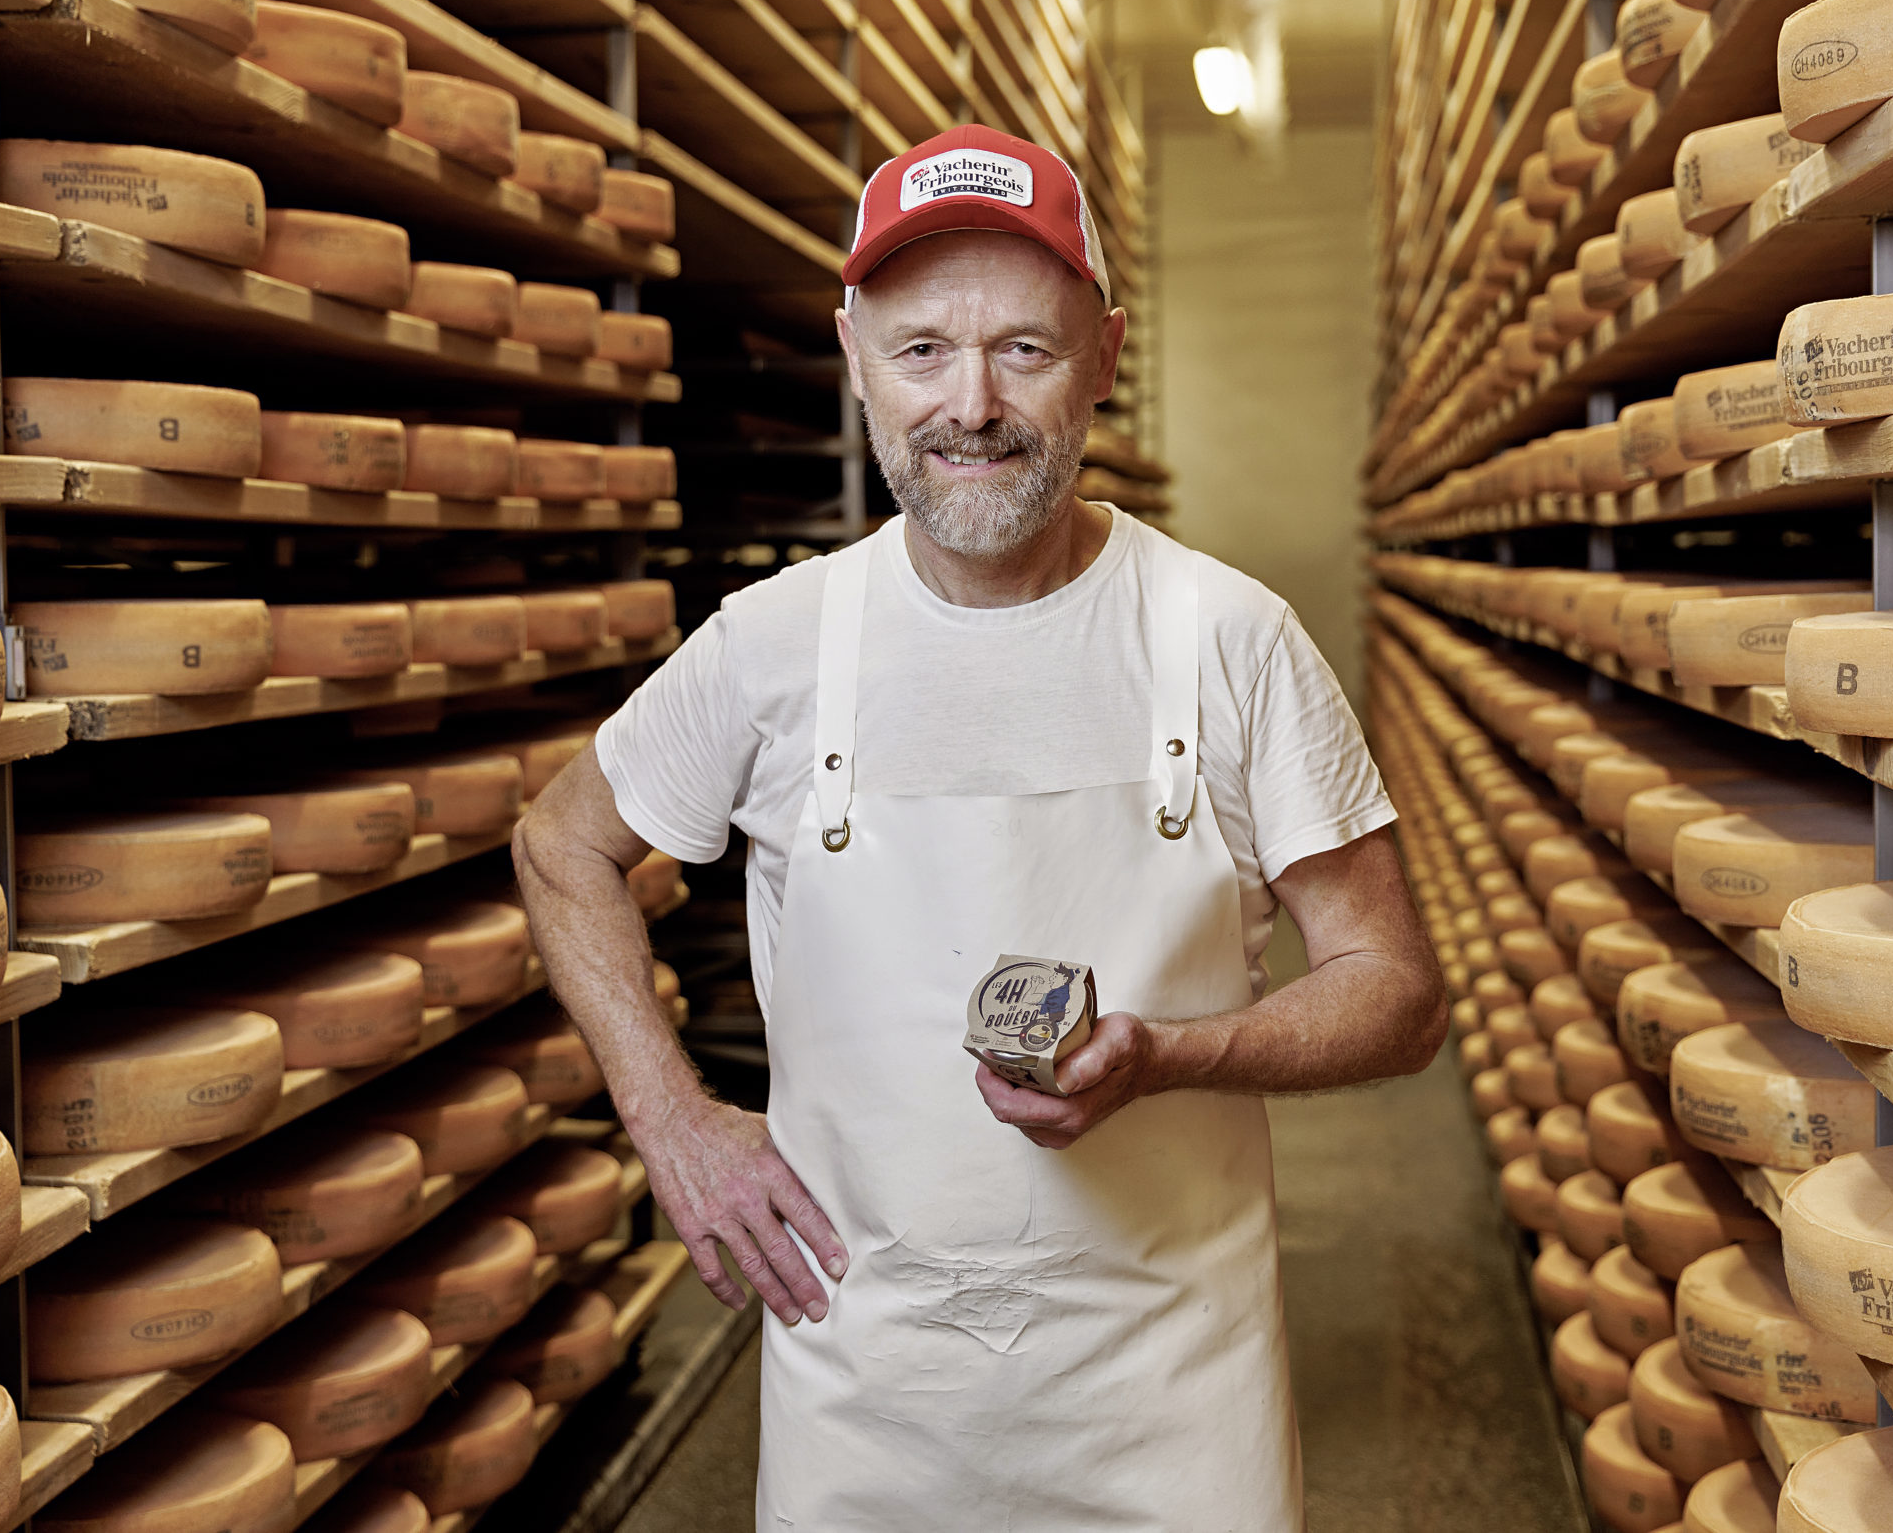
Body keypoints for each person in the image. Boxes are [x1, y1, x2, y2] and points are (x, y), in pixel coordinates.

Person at [514, 124, 1445, 1531]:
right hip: (864, 1403)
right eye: (921, 351)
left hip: (1170, 1400)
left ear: (1105, 352)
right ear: (853, 353)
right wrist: (673, 1119)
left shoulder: (1230, 639)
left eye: (1026, 349)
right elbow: (560, 845)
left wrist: (1177, 1057)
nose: (972, 406)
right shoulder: (774, 646)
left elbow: (1397, 992)